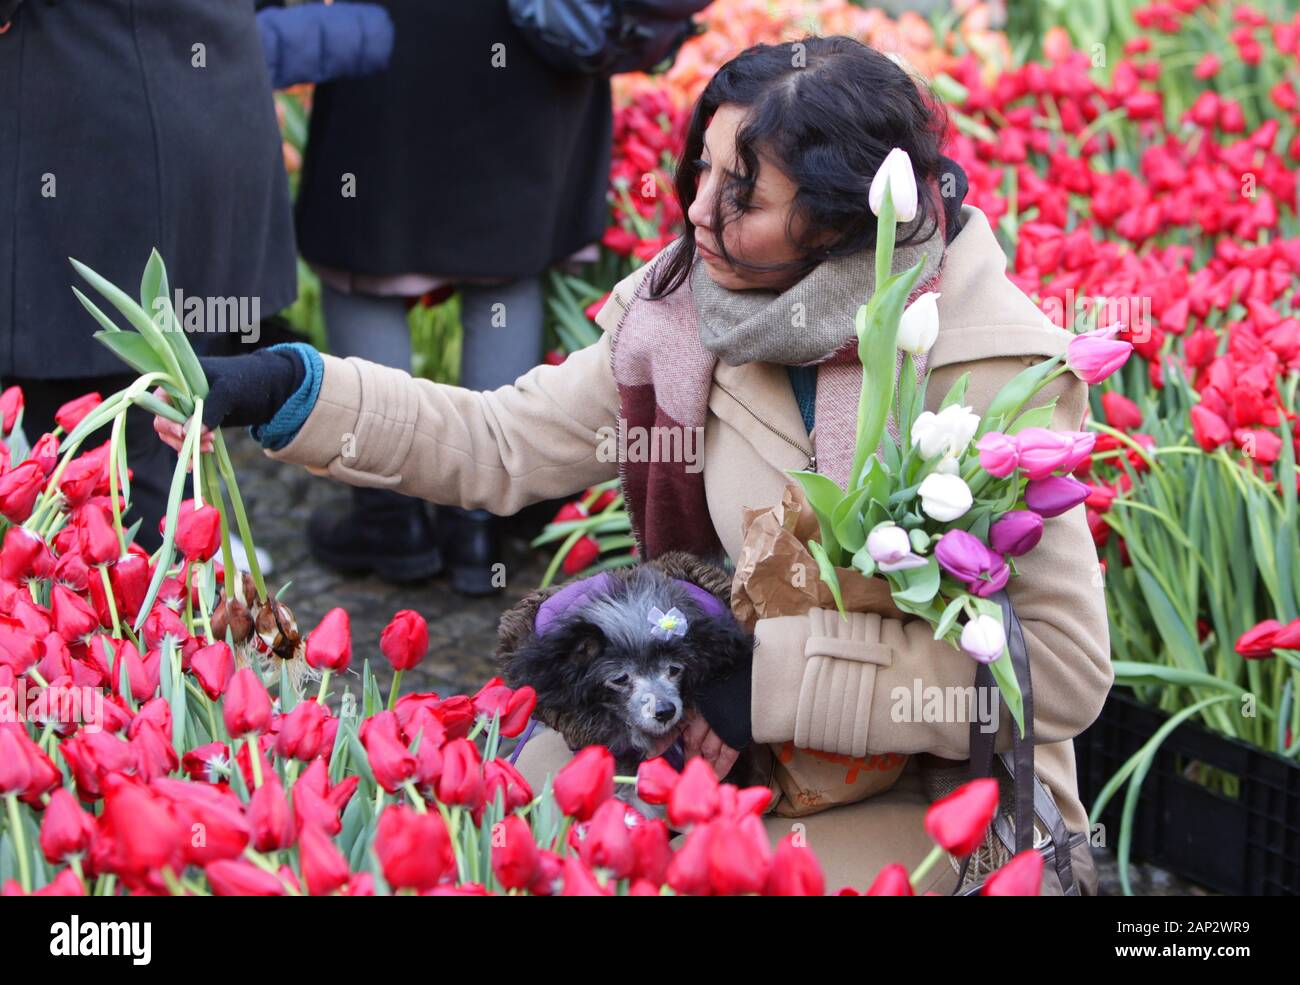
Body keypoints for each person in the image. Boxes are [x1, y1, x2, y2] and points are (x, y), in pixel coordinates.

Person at [154, 37, 1112, 894]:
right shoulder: (683, 311)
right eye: (701, 171)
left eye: (743, 193)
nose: (695, 210)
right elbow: (503, 442)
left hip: (926, 789)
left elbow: (1062, 675)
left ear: (839, 220)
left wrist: (765, 683)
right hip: (700, 733)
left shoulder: (985, 374)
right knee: (511, 813)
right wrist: (289, 387)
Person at [290, 0, 613, 594]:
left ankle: (391, 518)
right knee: (504, 269)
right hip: (526, 45)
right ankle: (478, 525)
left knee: (366, 264)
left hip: (399, 41)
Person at [0, 0, 297, 552]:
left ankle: (158, 598)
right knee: (168, 400)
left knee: (97, 442)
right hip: (204, 94)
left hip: (88, 122)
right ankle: (188, 565)